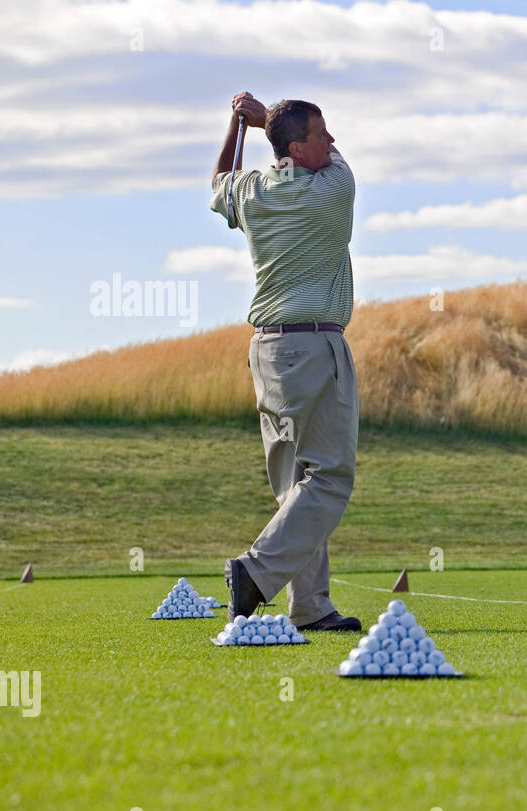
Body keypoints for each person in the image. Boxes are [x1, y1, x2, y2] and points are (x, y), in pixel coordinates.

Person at [210, 91, 361, 631]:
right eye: (323, 135)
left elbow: (218, 184)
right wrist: (264, 120)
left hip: (267, 350)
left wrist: (243, 125)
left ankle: (311, 606)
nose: (334, 142)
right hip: (317, 344)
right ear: (297, 148)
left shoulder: (251, 192)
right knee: (330, 477)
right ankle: (254, 571)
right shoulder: (334, 188)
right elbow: (338, 163)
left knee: (293, 483)